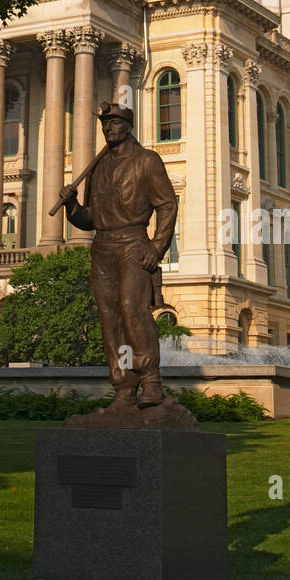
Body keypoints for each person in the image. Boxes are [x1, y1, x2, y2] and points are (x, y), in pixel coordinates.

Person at [58, 101, 177, 409]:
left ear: (128, 126)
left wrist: (156, 246)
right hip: (102, 247)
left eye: (114, 123)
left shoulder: (147, 161)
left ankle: (150, 380)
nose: (108, 128)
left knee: (131, 308)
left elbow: (167, 205)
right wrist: (71, 206)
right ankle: (123, 386)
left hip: (133, 244)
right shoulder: (97, 168)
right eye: (104, 124)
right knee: (109, 319)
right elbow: (89, 219)